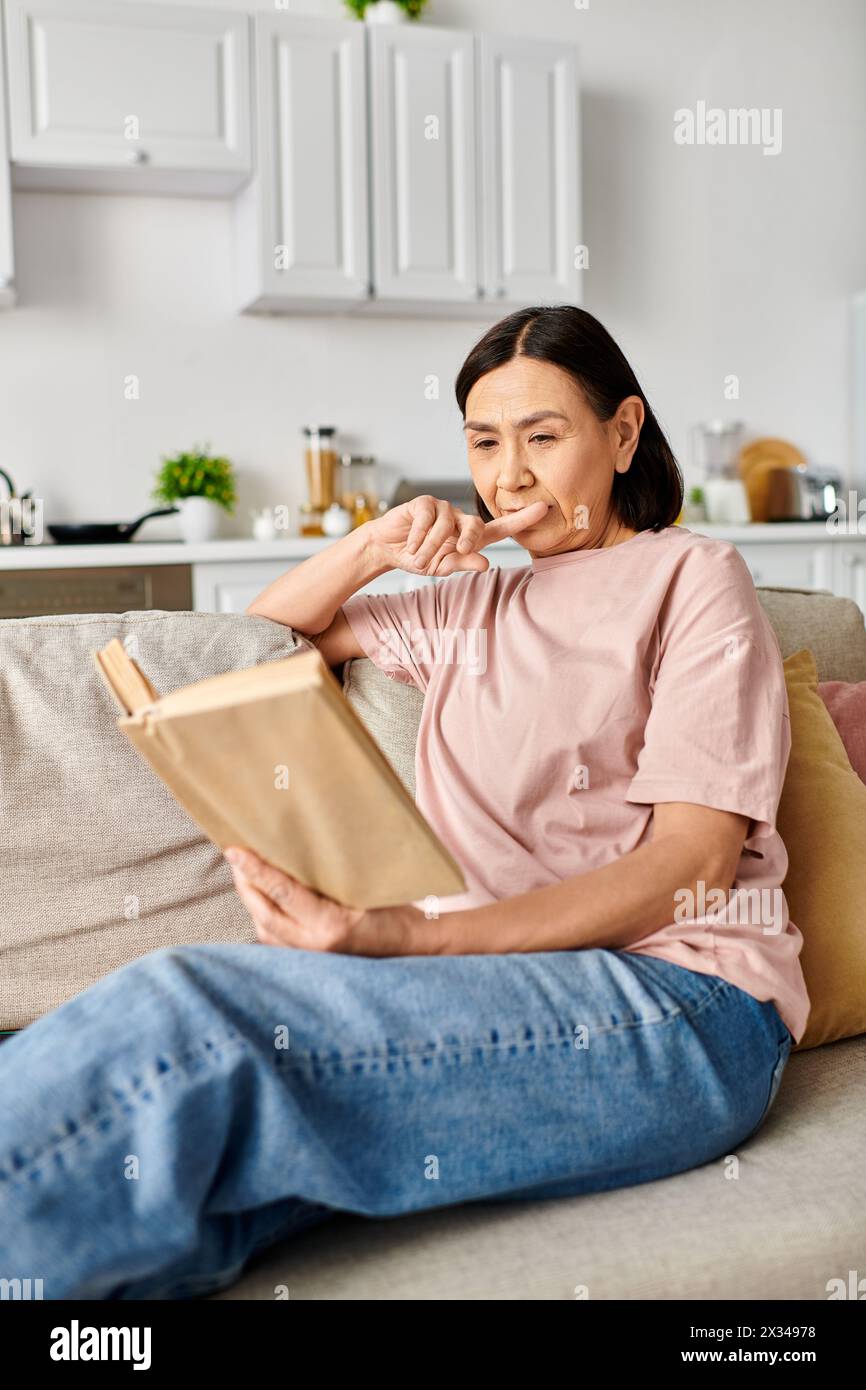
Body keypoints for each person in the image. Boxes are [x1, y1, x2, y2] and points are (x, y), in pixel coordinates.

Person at [0, 307, 806, 1299]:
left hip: (681, 1004)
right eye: (482, 442)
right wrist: (373, 544)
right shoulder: (468, 601)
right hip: (491, 989)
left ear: (623, 433)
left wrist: (392, 936)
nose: (507, 475)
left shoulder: (693, 578)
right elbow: (256, 644)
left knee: (191, 1014)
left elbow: (691, 867)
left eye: (542, 437)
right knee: (182, 1197)